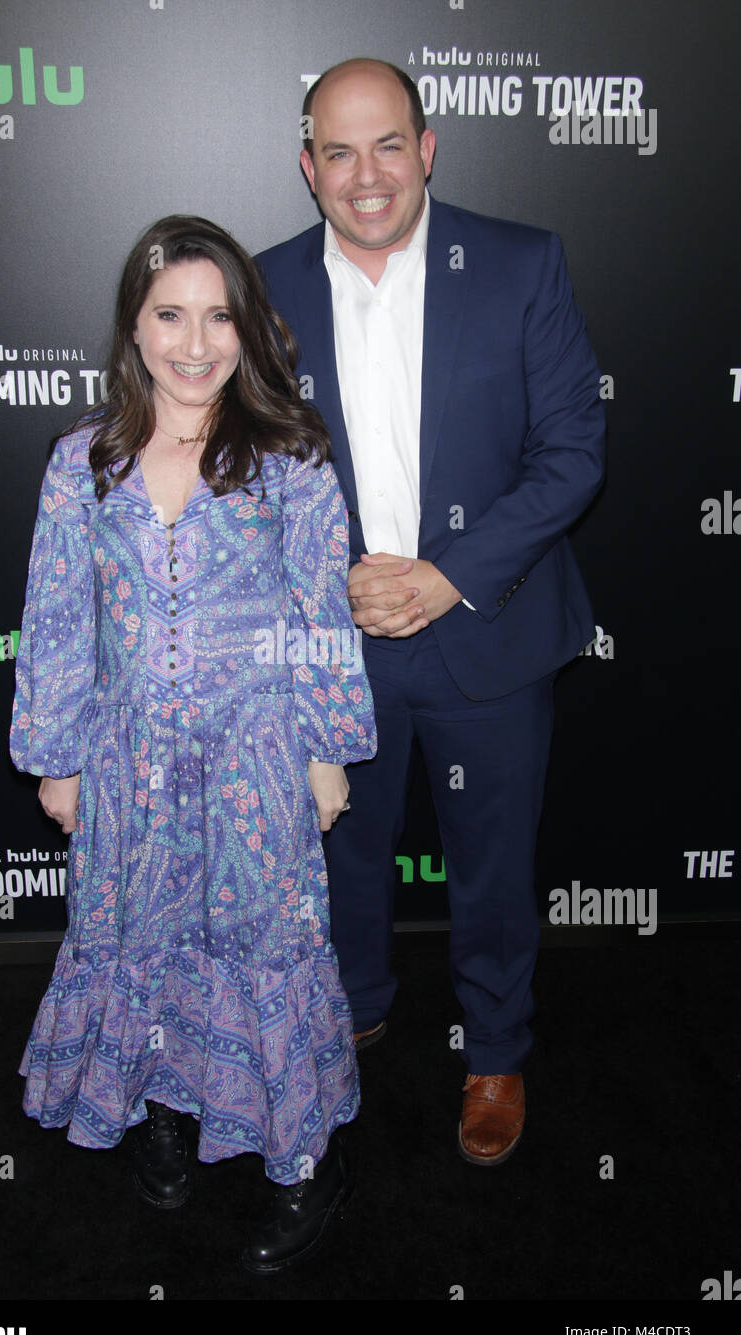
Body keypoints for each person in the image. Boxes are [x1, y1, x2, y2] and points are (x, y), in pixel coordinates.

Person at [9, 214, 376, 1272]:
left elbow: (320, 619)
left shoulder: (289, 460)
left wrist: (326, 752)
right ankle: (160, 1106)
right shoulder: (83, 463)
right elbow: (56, 619)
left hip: (254, 761)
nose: (194, 340)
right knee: (136, 939)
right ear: (134, 324)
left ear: (246, 328)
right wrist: (57, 757)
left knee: (265, 952)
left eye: (218, 316)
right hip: (126, 765)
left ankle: (306, 1161)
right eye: (170, 312)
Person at [256, 59, 605, 1166]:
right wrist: (341, 580)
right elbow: (238, 478)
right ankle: (351, 1012)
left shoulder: (517, 264)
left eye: (388, 145)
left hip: (487, 629)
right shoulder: (258, 291)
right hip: (333, 640)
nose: (367, 177)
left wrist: (443, 576)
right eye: (339, 152)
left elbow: (570, 454)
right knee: (339, 854)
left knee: (492, 864)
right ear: (307, 165)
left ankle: (493, 1050)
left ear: (428, 147)